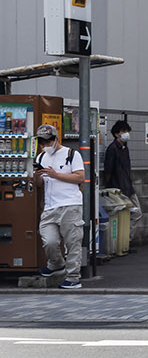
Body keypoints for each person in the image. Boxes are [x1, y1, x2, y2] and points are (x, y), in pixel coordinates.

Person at [34, 122, 85, 289]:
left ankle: (73, 277)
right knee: (49, 241)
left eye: (48, 142)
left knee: (73, 243)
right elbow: (40, 184)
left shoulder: (71, 154)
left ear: (56, 139)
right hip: (49, 206)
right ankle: (56, 263)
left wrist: (56, 175)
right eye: (42, 142)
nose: (45, 145)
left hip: (70, 204)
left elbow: (79, 177)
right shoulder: (41, 157)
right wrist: (37, 176)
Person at [102, 120, 140, 257]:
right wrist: (111, 187)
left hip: (127, 186)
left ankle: (125, 242)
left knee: (134, 214)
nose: (126, 134)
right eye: (123, 132)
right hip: (118, 188)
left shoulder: (124, 148)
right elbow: (108, 170)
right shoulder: (113, 149)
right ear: (116, 134)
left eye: (127, 131)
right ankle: (122, 243)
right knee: (130, 214)